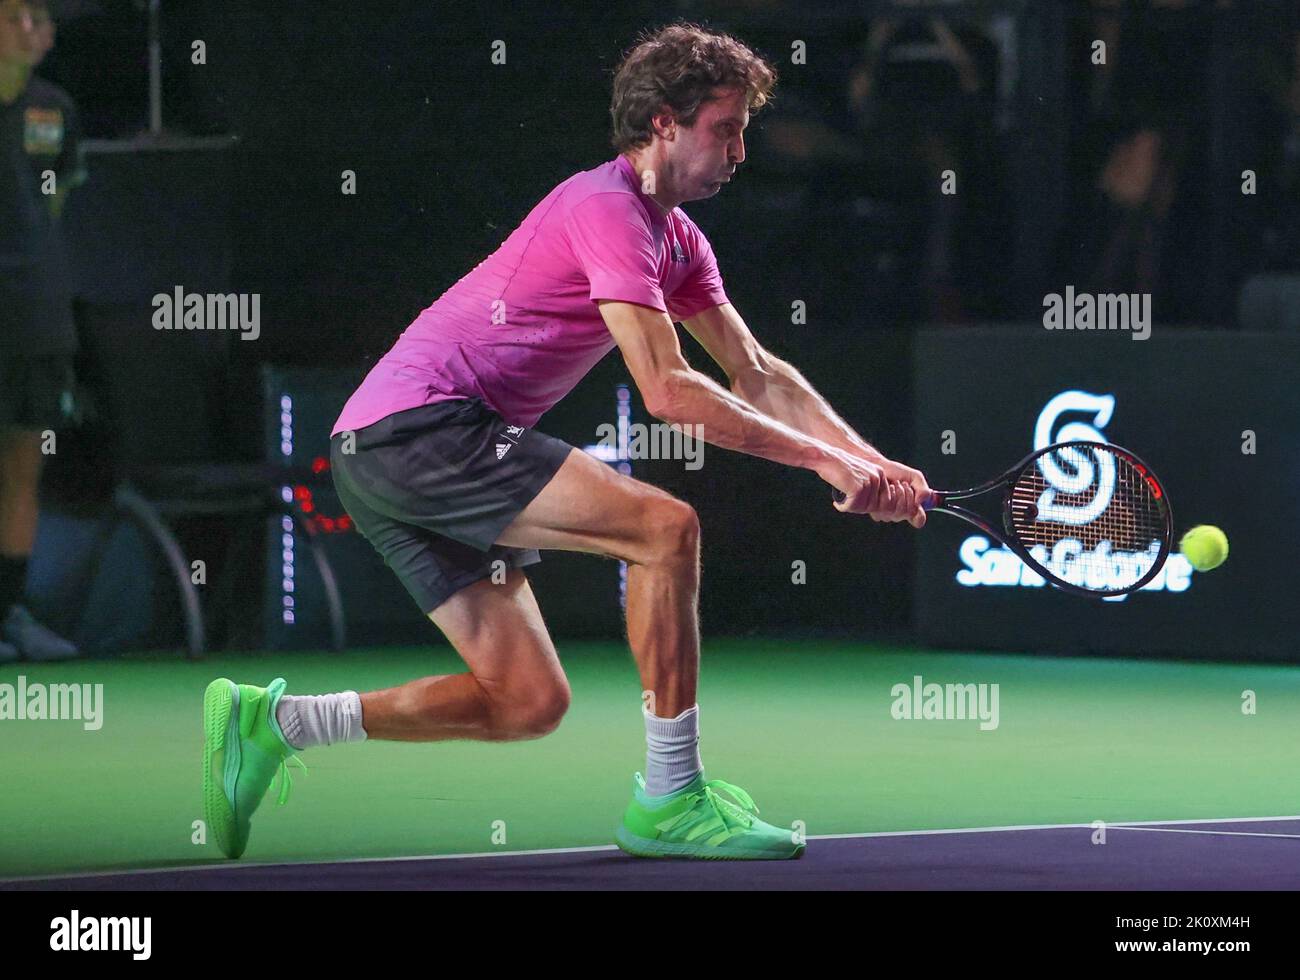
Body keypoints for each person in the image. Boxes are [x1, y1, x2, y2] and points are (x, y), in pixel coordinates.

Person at [202, 22, 930, 862]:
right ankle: (672, 797)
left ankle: (275, 724)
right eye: (725, 129)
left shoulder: (678, 239)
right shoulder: (607, 209)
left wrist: (867, 461)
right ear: (663, 122)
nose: (739, 151)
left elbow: (757, 372)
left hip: (386, 452)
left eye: (743, 132)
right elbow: (667, 390)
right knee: (665, 529)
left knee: (525, 701)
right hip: (420, 430)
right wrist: (823, 462)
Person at [0, 0, 83, 663]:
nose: (31, 30)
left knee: (21, 466)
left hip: (33, 314)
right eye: (14, 17)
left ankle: (9, 616)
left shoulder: (54, 110)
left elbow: (54, 202)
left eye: (39, 19)